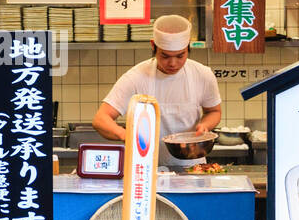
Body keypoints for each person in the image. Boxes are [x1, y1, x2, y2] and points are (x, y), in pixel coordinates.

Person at [92, 14, 222, 168]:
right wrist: (126, 135)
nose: (173, 63)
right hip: (145, 169)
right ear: (153, 46)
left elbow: (214, 111)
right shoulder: (136, 77)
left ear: (188, 48)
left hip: (192, 168)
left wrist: (204, 125)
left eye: (180, 56)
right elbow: (100, 119)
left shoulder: (202, 74)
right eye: (165, 56)